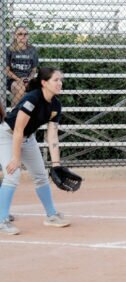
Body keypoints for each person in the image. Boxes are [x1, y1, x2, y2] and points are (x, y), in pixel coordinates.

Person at [0, 67, 70, 235]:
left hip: (27, 138)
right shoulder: (32, 99)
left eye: (61, 80)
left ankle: (51, 215)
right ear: (44, 83)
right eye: (56, 80)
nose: (60, 83)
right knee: (13, 175)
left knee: (40, 175)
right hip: (7, 136)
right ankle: (2, 220)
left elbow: (52, 136)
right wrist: (16, 158)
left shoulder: (55, 105)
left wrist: (56, 164)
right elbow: (17, 129)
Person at [5, 25, 39, 107]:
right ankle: (14, 114)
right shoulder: (9, 50)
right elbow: (6, 71)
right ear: (15, 35)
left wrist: (28, 79)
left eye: (25, 34)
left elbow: (34, 70)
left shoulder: (32, 50)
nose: (23, 36)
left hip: (27, 79)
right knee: (21, 89)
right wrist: (19, 80)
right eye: (20, 34)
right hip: (12, 80)